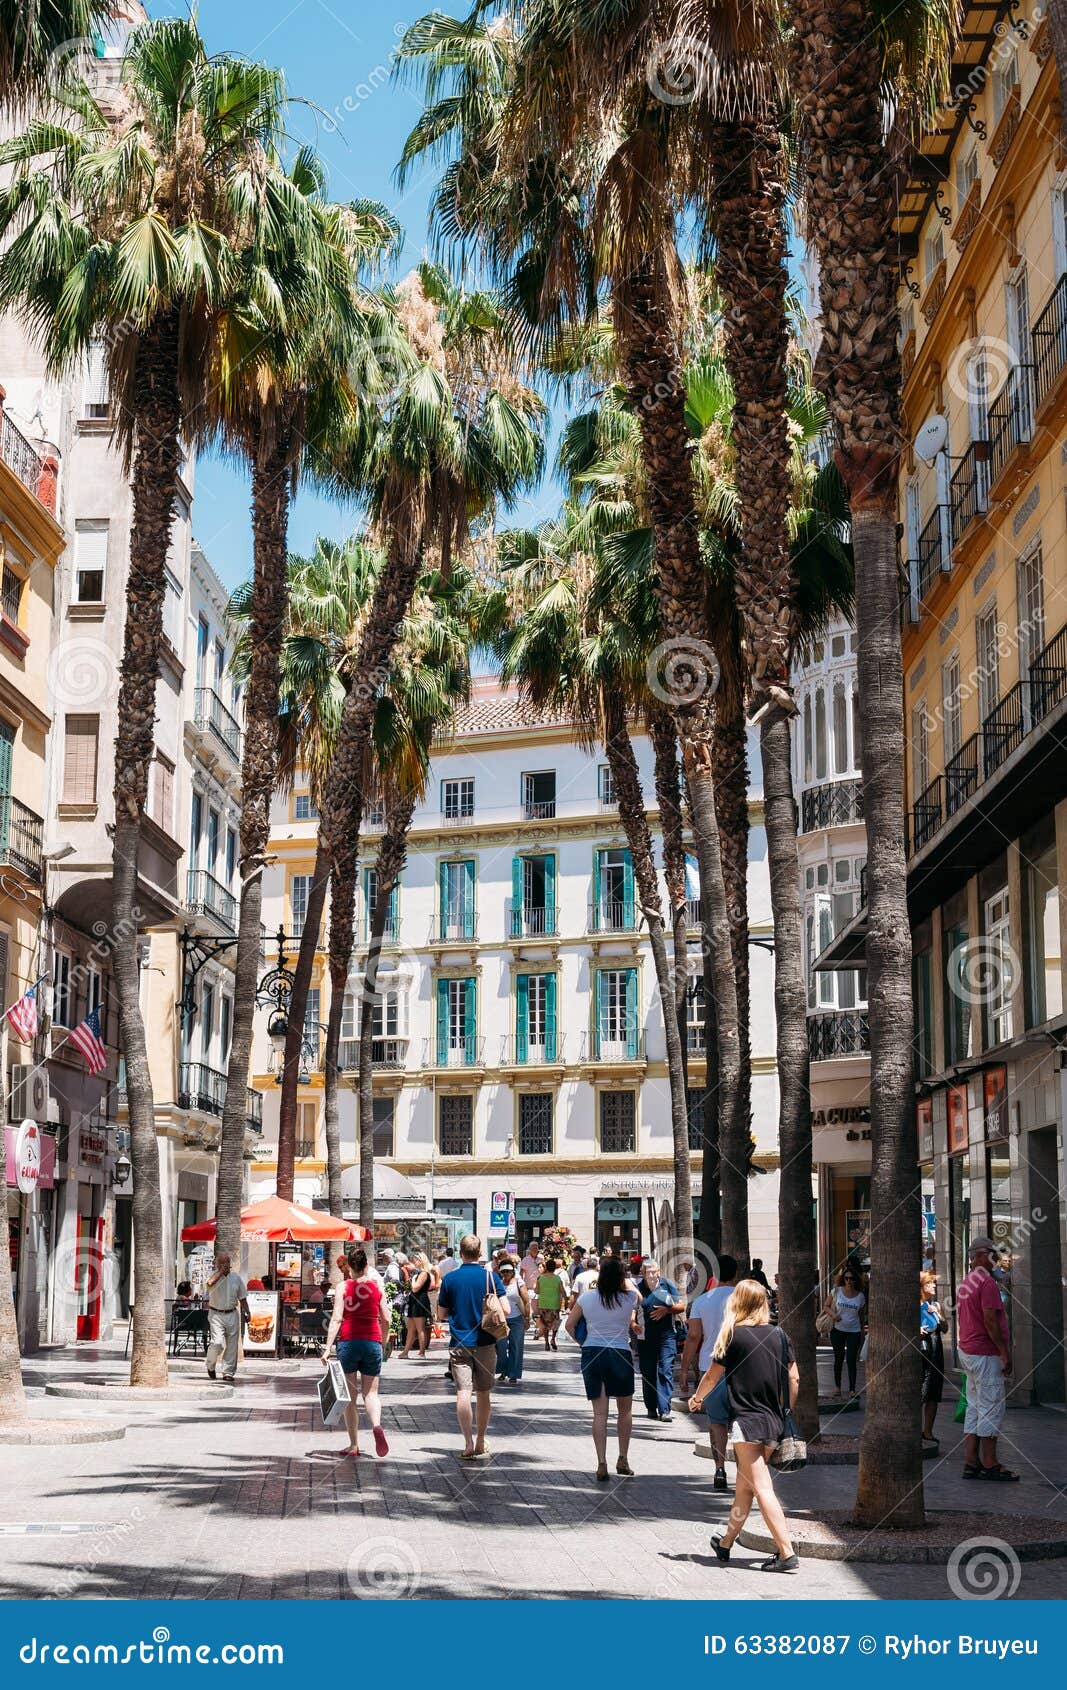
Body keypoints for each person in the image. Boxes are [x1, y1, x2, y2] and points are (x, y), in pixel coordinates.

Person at [689, 1280, 799, 1574]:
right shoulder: (779, 1334)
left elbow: (712, 1377)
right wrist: (787, 1410)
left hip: (747, 1424)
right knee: (744, 1489)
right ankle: (725, 1542)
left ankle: (787, 1552)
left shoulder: (733, 1336)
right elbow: (795, 1379)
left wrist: (697, 1398)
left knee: (762, 1487)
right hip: (773, 1422)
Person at [565, 1254, 638, 1481]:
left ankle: (601, 1462)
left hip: (593, 1352)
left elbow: (569, 1325)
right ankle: (623, 1458)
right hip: (620, 1352)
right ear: (622, 1277)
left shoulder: (586, 1299)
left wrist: (583, 1343)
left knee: (599, 1414)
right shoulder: (629, 1298)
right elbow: (641, 1297)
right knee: (625, 1411)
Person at [437, 1234, 505, 1459]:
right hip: (486, 1342)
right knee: (483, 1393)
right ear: (480, 1254)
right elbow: (505, 1309)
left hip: (459, 1342)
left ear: (460, 1252)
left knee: (463, 1393)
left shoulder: (450, 1280)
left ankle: (467, 1442)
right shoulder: (491, 1277)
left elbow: (441, 1314)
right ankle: (481, 1440)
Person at [957, 1236, 1018, 1480]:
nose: (997, 1258)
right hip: (984, 1353)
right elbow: (990, 1319)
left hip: (969, 1351)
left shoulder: (967, 1282)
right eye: (993, 1253)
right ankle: (990, 1463)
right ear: (980, 1255)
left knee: (975, 1406)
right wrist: (1004, 1351)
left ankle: (971, 1461)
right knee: (991, 1406)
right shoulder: (986, 1283)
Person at [322, 1246, 390, 1459]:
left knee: (351, 1398)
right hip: (372, 1341)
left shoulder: (343, 1287)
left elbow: (336, 1319)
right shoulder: (377, 1287)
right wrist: (384, 1342)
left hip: (349, 1342)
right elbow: (386, 1318)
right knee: (371, 1393)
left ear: (350, 1267)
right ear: (367, 1266)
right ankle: (377, 1425)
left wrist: (326, 1349)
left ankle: (353, 1445)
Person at [680, 1254, 739, 1492]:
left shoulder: (702, 1301)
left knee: (716, 1422)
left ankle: (720, 1468)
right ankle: (746, 1472)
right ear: (736, 1274)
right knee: (743, 1419)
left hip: (710, 1366)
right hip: (742, 1367)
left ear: (713, 1275)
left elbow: (693, 1337)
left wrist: (684, 1370)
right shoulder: (743, 1299)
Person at [635, 1259, 685, 1422]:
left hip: (666, 1336)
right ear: (642, 1273)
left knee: (665, 1370)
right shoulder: (638, 1288)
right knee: (648, 1372)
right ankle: (651, 1407)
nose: (650, 1275)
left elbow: (681, 1306)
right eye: (647, 1272)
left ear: (659, 1272)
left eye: (653, 1272)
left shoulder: (666, 1284)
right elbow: (631, 1309)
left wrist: (667, 1310)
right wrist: (632, 1323)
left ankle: (665, 1410)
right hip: (645, 1337)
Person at [822, 1266, 866, 1399]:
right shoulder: (836, 1291)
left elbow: (862, 1314)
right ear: (843, 1279)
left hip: (854, 1330)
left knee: (852, 1359)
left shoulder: (860, 1296)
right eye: (846, 1278)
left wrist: (863, 1329)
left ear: (855, 1280)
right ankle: (837, 1387)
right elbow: (826, 1306)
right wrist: (834, 1315)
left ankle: (852, 1389)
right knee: (839, 1359)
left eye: (851, 1278)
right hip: (838, 1330)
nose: (848, 1281)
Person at [205, 1253, 249, 1382]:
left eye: (227, 1263)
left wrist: (247, 1311)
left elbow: (242, 1297)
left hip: (232, 1313)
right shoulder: (212, 1276)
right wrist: (220, 1272)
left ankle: (228, 1372)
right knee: (217, 1342)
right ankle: (210, 1365)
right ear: (217, 1264)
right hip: (216, 1314)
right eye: (222, 1263)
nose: (226, 1266)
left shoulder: (236, 1278)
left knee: (232, 1345)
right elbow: (209, 1283)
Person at [920, 1269, 949, 1444]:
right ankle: (915, 1428)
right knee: (921, 1389)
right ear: (921, 1287)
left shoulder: (936, 1305)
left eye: (934, 1283)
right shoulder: (913, 1306)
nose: (934, 1285)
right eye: (929, 1283)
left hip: (936, 1349)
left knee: (934, 1392)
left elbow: (945, 1329)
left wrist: (937, 1314)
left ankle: (928, 1431)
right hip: (922, 1350)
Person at [495, 1260, 530, 1384]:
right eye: (503, 1271)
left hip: (517, 1319)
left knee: (516, 1345)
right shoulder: (498, 1283)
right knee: (501, 1346)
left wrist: (527, 1318)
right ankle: (503, 1371)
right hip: (501, 1320)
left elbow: (526, 1301)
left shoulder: (519, 1282)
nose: (506, 1273)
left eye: (508, 1271)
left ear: (512, 1271)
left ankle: (513, 1374)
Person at [402, 1252, 435, 1357]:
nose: (413, 1262)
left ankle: (422, 1352)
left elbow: (415, 1288)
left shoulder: (423, 1273)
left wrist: (413, 1279)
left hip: (420, 1302)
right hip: (415, 1302)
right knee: (411, 1329)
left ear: (420, 1261)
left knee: (420, 1328)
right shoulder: (419, 1273)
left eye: (415, 1260)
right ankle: (405, 1352)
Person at [536, 1256, 566, 1350]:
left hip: (543, 1304)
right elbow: (563, 1292)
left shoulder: (540, 1278)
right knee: (555, 1322)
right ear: (554, 1268)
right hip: (555, 1304)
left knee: (544, 1324)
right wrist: (566, 1302)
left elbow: (536, 1291)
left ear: (546, 1268)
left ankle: (546, 1342)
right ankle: (553, 1338)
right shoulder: (557, 1279)